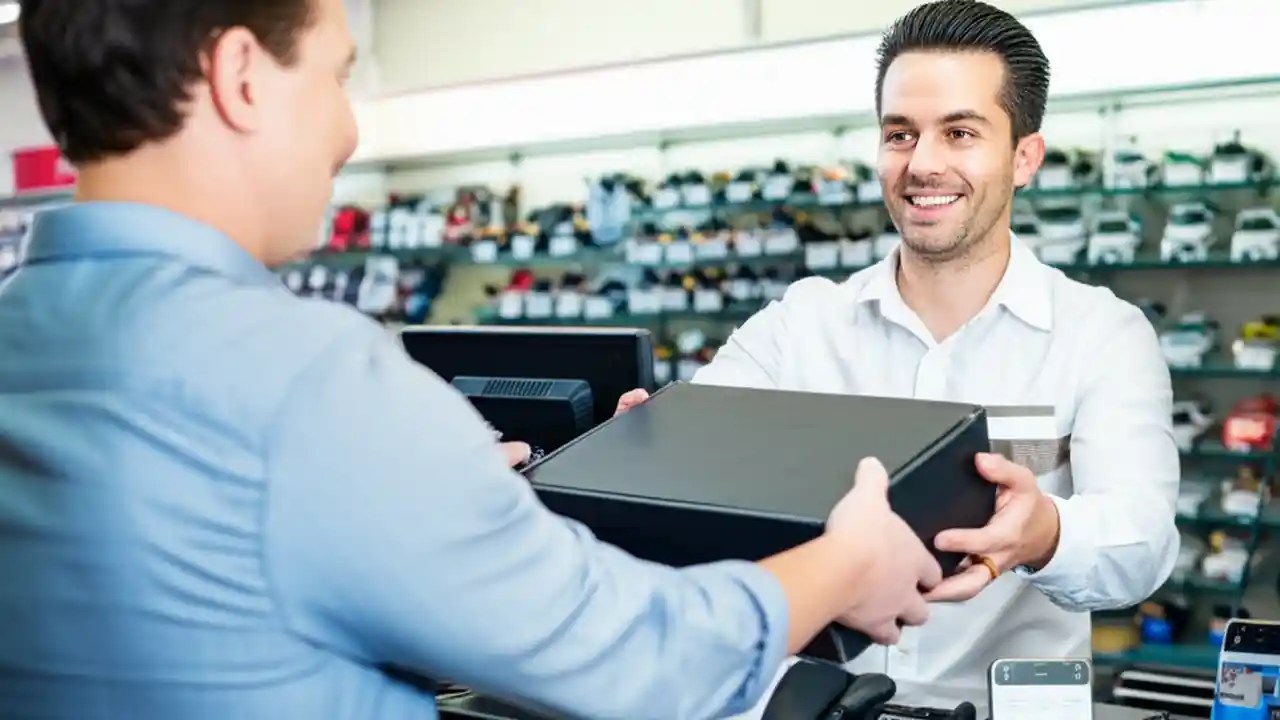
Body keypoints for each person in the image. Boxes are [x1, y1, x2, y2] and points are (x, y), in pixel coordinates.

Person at [0, 2, 945, 719]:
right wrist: (845, 561)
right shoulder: (309, 382)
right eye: (336, 77)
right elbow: (634, 660)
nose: (349, 130)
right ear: (243, 76)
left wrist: (431, 520)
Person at [618, 0, 1180, 711]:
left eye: (960, 133)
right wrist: (648, 447)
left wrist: (1045, 532)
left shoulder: (1101, 333)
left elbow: (1145, 541)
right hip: (815, 704)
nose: (923, 164)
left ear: (1025, 156)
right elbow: (697, 449)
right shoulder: (801, 324)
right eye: (899, 134)